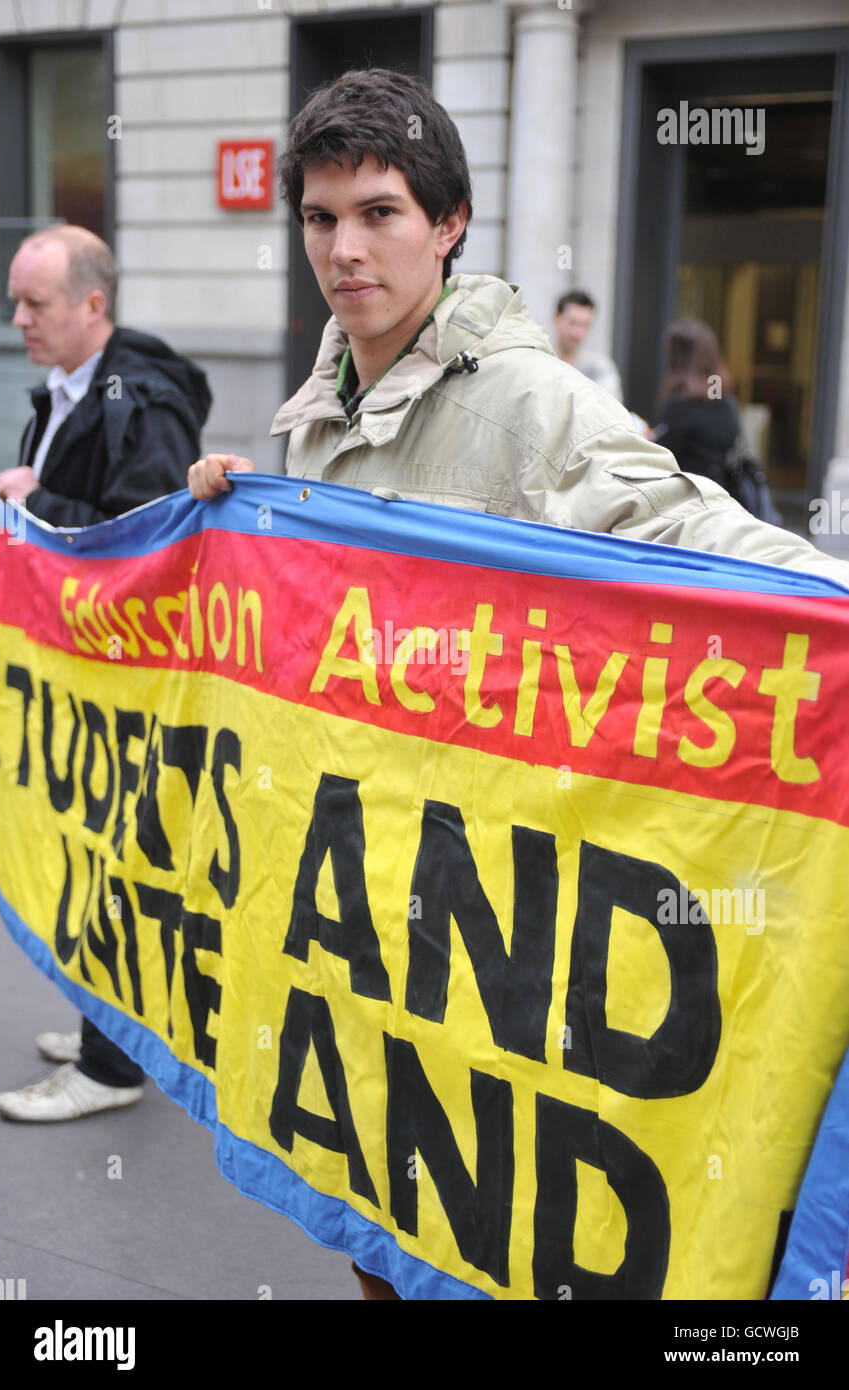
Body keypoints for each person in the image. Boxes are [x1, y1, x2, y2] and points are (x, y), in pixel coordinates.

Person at [187, 67, 849, 1298]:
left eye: (379, 212)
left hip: (485, 906)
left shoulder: (533, 403)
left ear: (447, 225)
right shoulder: (314, 412)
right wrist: (236, 524)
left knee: (484, 1235)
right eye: (321, 219)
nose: (345, 248)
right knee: (378, 1223)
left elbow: (686, 532)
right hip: (369, 910)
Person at [0, 224, 211, 1123]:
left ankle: (110, 1067)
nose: (17, 319)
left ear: (94, 305)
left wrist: (30, 502)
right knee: (82, 848)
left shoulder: (142, 402)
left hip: (123, 681)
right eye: (15, 300)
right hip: (70, 665)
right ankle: (103, 1018)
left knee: (112, 856)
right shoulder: (68, 389)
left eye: (35, 303)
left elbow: (145, 536)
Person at [649, 318, 777, 521]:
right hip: (722, 498)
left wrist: (651, 438)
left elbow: (667, 454)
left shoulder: (680, 404)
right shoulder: (723, 399)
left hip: (686, 502)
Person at [554, 289, 624, 402]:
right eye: (573, 323)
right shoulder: (540, 361)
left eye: (585, 325)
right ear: (556, 319)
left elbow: (609, 408)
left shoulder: (600, 368)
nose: (577, 333)